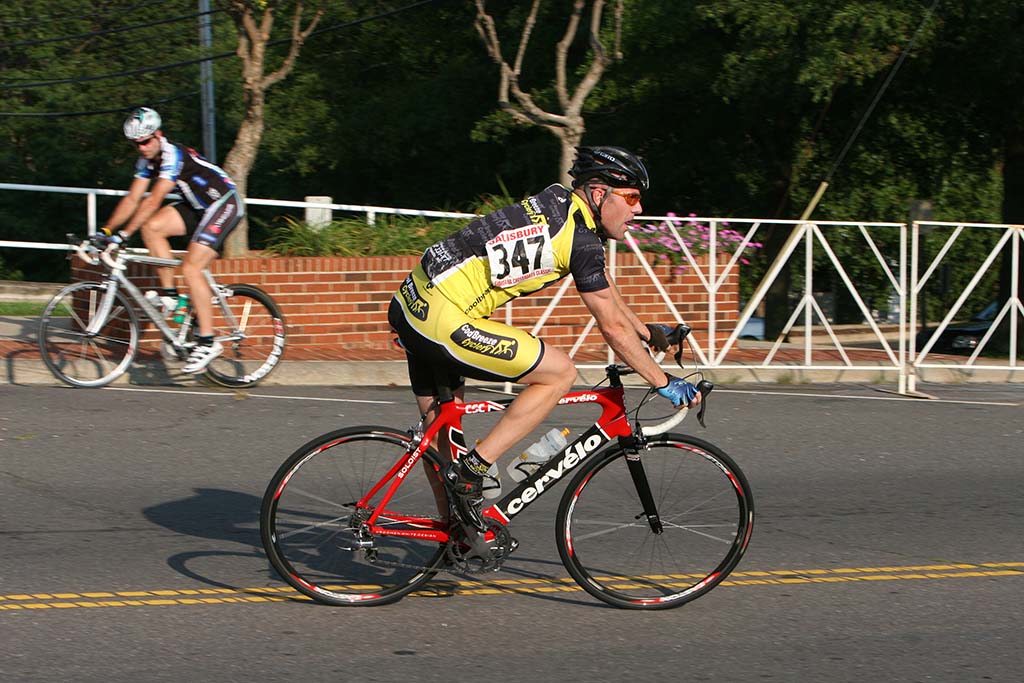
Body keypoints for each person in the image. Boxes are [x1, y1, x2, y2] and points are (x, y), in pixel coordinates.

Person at [388, 145, 701, 532]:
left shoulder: (557, 203)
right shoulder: (581, 240)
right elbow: (611, 327)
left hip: (411, 303)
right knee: (559, 373)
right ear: (599, 194)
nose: (638, 209)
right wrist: (663, 381)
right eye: (632, 197)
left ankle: (453, 533)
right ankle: (474, 468)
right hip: (442, 317)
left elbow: (607, 291)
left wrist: (647, 331)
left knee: (440, 436)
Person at [94, 107, 245, 374]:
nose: (141, 148)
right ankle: (172, 297)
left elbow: (153, 200)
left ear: (158, 135)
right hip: (197, 207)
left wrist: (123, 236)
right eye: (136, 143)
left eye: (145, 141)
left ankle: (208, 342)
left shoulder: (172, 156)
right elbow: (132, 199)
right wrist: (106, 231)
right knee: (152, 228)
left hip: (223, 204)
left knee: (190, 268)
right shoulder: (146, 162)